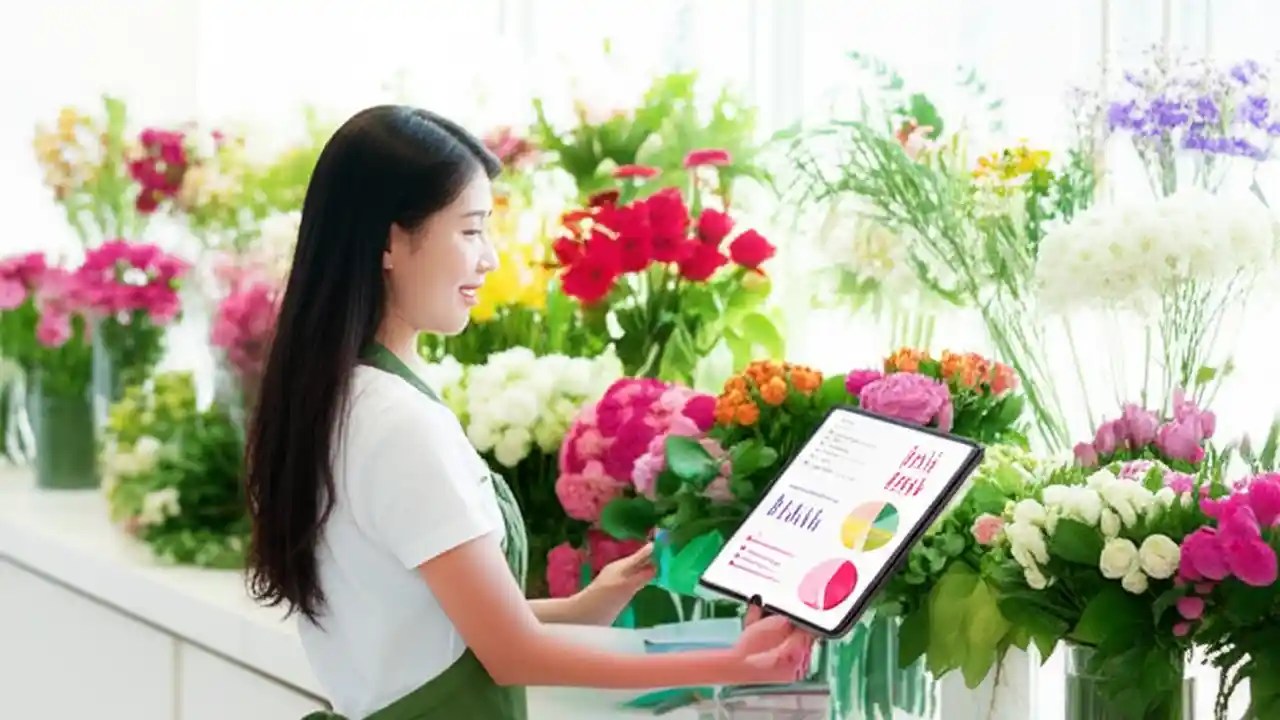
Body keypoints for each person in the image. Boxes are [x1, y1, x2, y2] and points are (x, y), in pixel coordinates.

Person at [243, 105, 812, 720]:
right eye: (470, 230)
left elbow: (426, 628)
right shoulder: (396, 421)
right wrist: (733, 663)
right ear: (389, 241)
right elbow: (510, 654)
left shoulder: (343, 396)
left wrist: (583, 605)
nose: (488, 259)